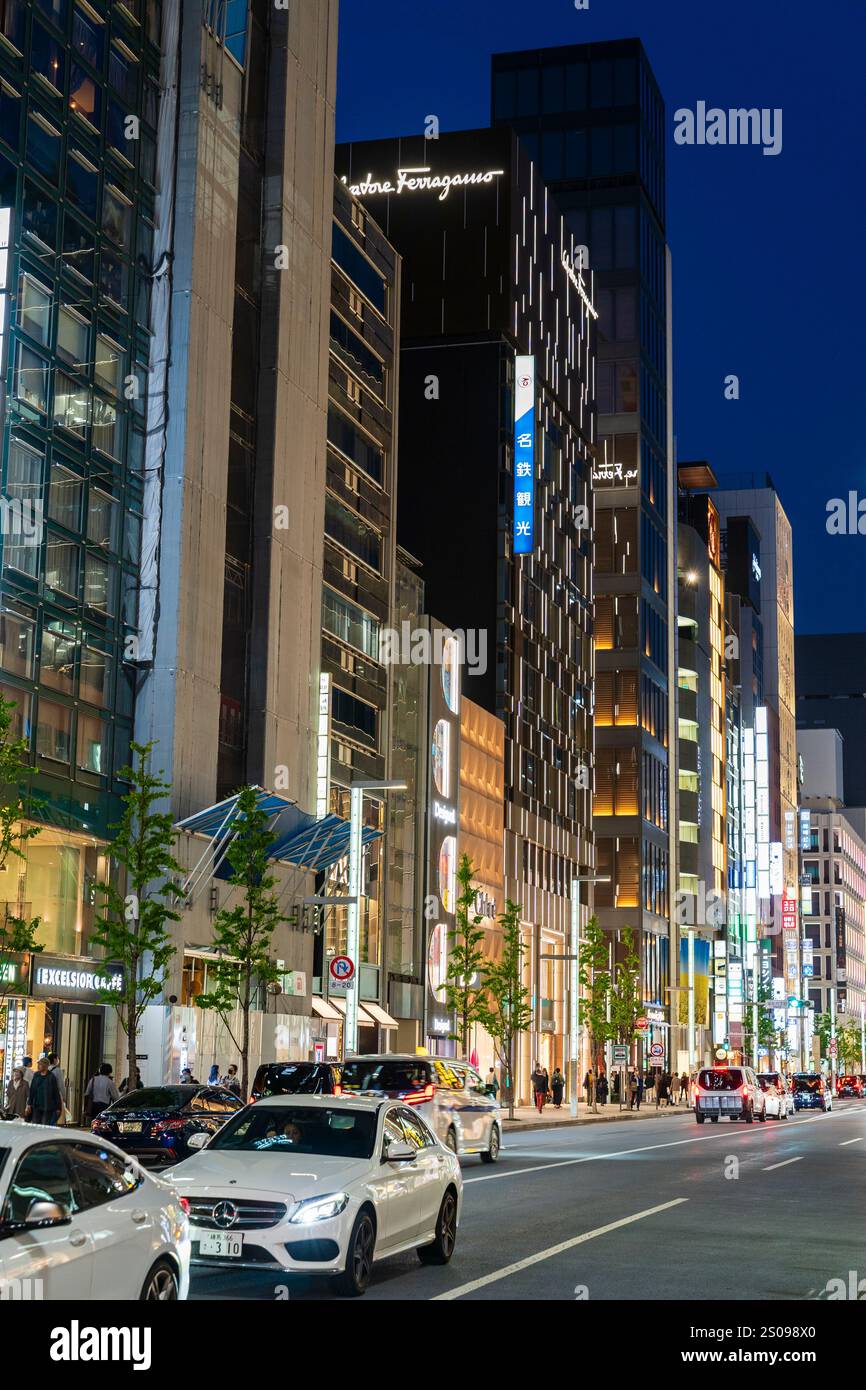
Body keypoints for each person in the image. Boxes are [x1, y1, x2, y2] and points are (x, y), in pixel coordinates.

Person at [26, 1057, 62, 1126]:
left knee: (45, 1126)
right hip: (36, 1105)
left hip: (48, 1106)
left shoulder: (51, 1077)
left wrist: (58, 1107)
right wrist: (29, 1104)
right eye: (38, 1064)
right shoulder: (36, 1075)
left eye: (40, 1064)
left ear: (46, 1065)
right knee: (35, 1125)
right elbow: (32, 1090)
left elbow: (56, 1092)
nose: (38, 1066)